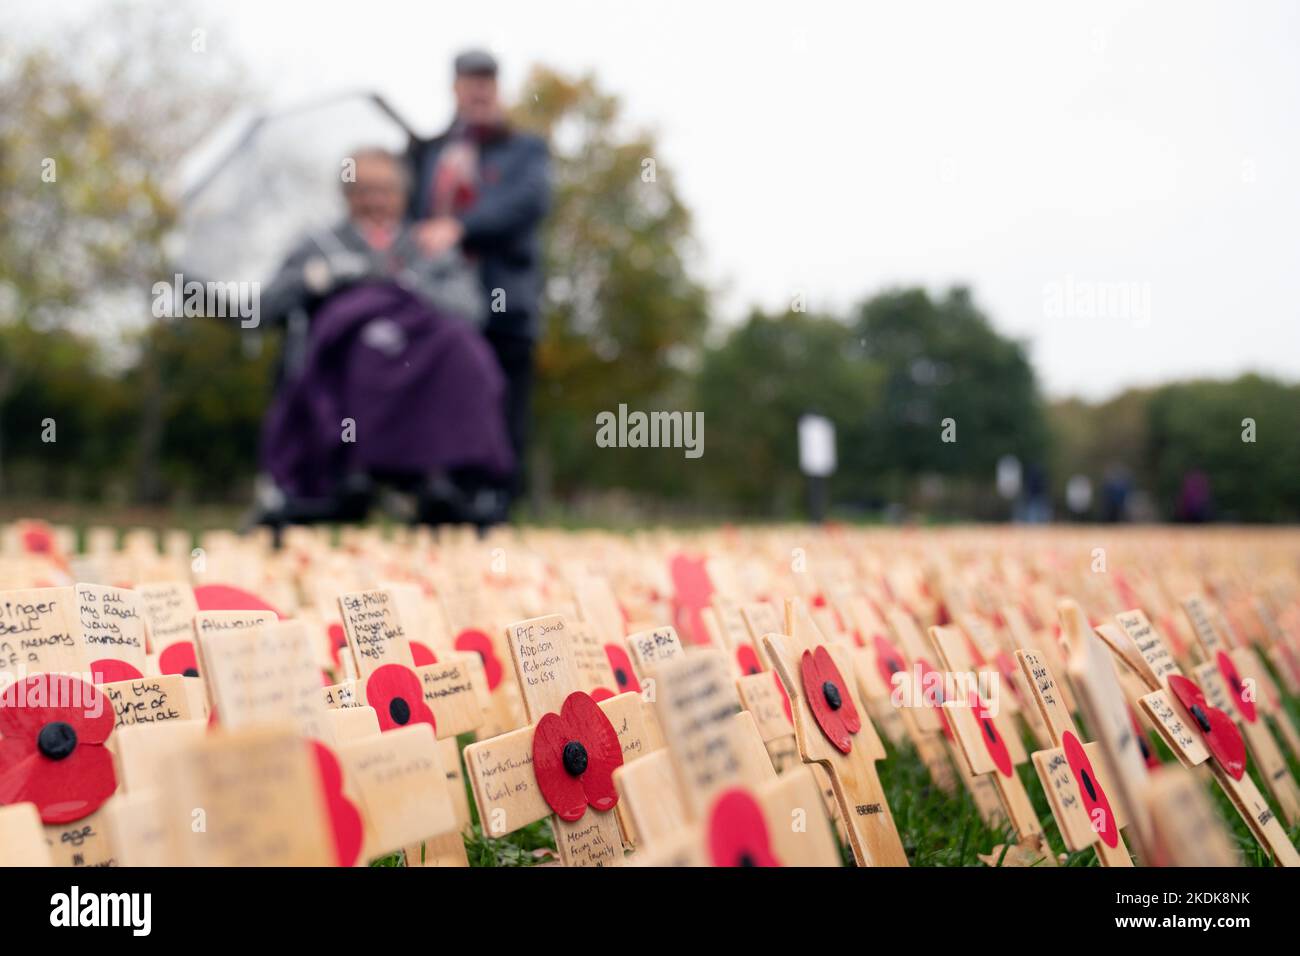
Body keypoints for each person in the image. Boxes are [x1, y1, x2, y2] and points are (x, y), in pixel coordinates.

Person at [408, 49, 551, 507]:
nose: (479, 87)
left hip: (504, 299)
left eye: (488, 78)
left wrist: (461, 227)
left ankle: (496, 499)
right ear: (455, 87)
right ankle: (444, 494)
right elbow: (412, 214)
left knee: (503, 398)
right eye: (470, 79)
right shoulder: (430, 152)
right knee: (446, 393)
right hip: (441, 301)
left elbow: (526, 203)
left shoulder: (525, 148)